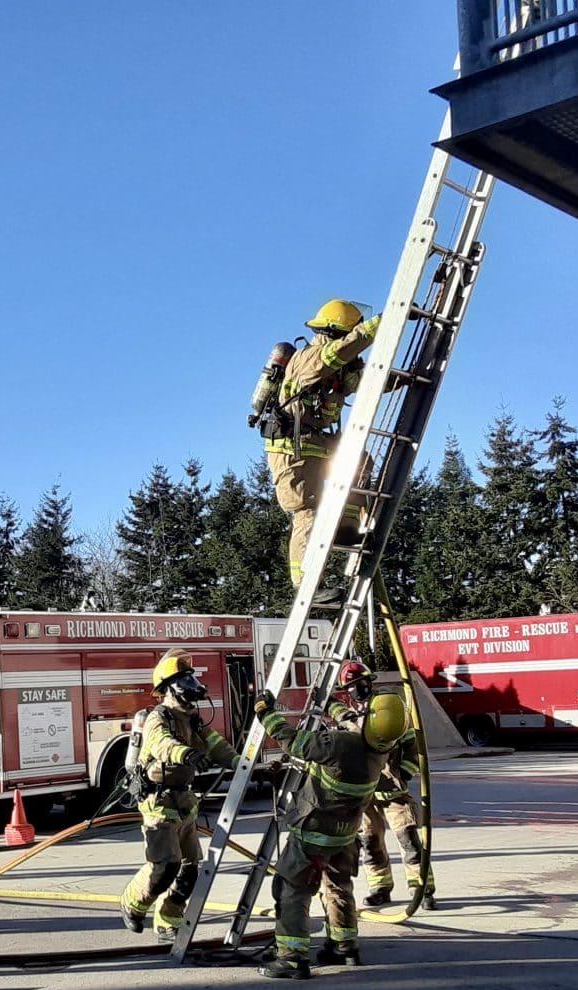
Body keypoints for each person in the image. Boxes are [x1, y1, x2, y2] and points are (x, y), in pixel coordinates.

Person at [251, 688, 407, 979]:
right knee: (338, 886)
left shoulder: (337, 744)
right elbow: (354, 723)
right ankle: (344, 946)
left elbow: (291, 740)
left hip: (312, 833)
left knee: (292, 890)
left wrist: (264, 712)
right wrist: (332, 705)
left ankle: (292, 958)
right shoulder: (381, 750)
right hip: (345, 836)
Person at [254, 299, 381, 605]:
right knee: (306, 511)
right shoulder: (311, 359)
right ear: (336, 333)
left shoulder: (337, 369)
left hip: (316, 441)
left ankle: (347, 529)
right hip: (290, 447)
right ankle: (306, 582)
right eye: (350, 334)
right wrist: (380, 325)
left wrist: (404, 378)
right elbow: (336, 354)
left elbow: (366, 381)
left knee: (358, 461)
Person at [120, 652, 236, 943]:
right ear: (169, 687)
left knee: (188, 870)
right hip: (158, 804)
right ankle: (133, 903)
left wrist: (242, 763)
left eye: (191, 677)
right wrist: (187, 754)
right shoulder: (157, 718)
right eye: (185, 680)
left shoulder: (193, 719)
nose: (192, 684)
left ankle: (168, 923)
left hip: (184, 802)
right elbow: (161, 745)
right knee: (165, 866)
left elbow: (217, 745)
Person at [334, 661, 435, 910]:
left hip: (394, 792)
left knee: (409, 839)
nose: (356, 689)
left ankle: (422, 889)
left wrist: (405, 773)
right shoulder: (349, 715)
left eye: (360, 684)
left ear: (370, 682)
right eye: (351, 687)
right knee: (370, 842)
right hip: (365, 794)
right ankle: (380, 888)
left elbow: (412, 746)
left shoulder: (389, 708)